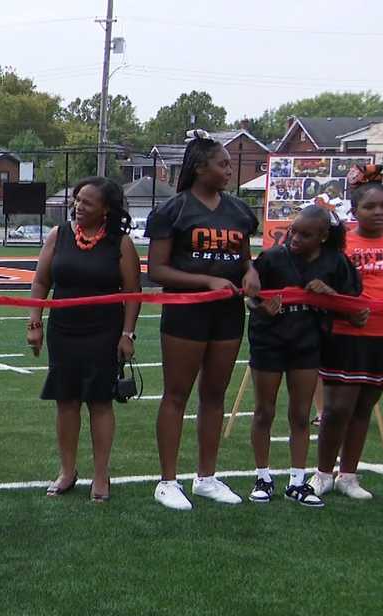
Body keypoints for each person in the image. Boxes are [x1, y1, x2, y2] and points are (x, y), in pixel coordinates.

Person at [146, 130, 261, 511]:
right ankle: (167, 481)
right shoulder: (173, 210)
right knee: (176, 394)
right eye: (223, 163)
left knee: (215, 395)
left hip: (227, 314)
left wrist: (250, 273)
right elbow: (158, 270)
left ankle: (207, 478)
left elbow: (244, 258)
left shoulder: (240, 211)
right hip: (186, 312)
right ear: (199, 168)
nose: (229, 170)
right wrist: (207, 280)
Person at [27, 177, 142, 503]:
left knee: (100, 402)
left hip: (104, 332)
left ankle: (101, 475)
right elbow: (40, 282)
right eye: (77, 200)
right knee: (66, 401)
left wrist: (127, 334)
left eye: (87, 202)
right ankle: (67, 471)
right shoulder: (58, 235)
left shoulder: (120, 243)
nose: (79, 206)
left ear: (106, 209)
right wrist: (34, 324)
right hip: (63, 331)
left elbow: (133, 293)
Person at [247, 204, 363, 508]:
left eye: (305, 235)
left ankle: (298, 482)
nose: (295, 238)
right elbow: (249, 296)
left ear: (323, 237)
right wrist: (262, 307)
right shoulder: (273, 257)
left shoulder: (335, 263)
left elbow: (354, 308)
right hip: (269, 340)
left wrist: (329, 294)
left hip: (308, 343)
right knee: (264, 411)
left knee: (300, 415)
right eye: (293, 231)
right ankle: (262, 477)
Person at [312, 167, 383, 500]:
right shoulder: (342, 245)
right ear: (355, 210)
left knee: (364, 408)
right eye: (370, 207)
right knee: (337, 409)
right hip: (347, 334)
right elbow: (323, 286)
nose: (379, 212)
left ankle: (348, 475)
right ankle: (322, 474)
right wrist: (346, 308)